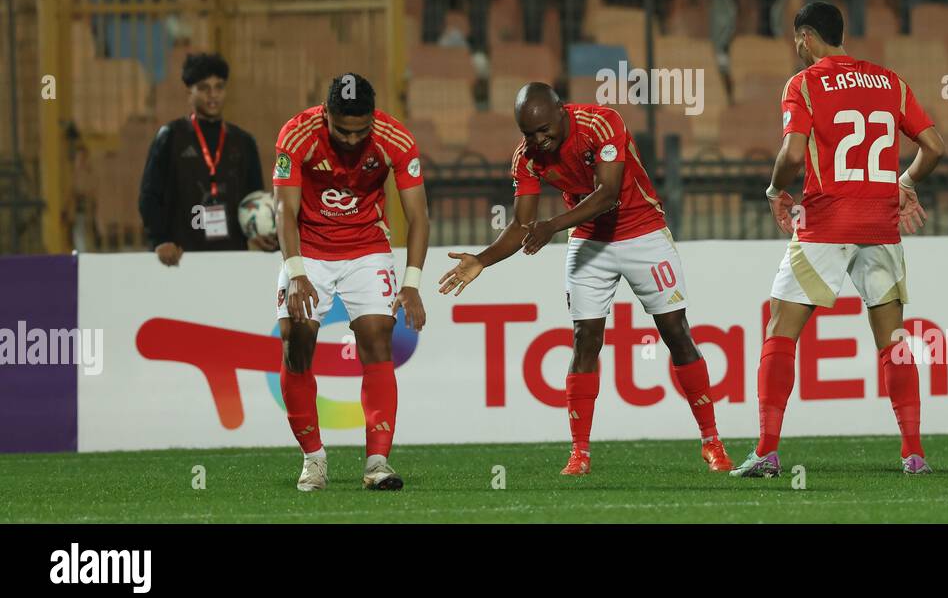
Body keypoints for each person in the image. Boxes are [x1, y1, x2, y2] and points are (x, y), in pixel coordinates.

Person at [438, 83, 734, 476]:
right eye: (528, 134)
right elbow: (521, 226)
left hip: (642, 231)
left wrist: (553, 226)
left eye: (544, 130)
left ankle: (711, 441)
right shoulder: (525, 159)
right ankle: (579, 453)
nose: (538, 140)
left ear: (562, 111)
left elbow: (608, 192)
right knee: (584, 340)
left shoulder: (601, 122)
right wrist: (482, 259)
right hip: (589, 240)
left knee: (676, 332)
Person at [730, 1, 944, 478]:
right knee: (893, 340)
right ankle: (914, 454)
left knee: (780, 331)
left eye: (796, 40)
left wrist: (774, 189)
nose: (796, 49)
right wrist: (904, 184)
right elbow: (934, 147)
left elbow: (791, 152)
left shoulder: (803, 84)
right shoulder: (890, 81)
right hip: (880, 224)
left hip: (825, 222)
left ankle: (766, 451)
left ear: (806, 37)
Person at [272, 73, 429, 491]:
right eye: (342, 130)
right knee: (297, 343)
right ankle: (314, 459)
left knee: (379, 339)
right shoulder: (297, 134)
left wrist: (411, 282)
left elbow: (419, 216)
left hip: (367, 247)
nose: (351, 139)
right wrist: (296, 271)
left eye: (361, 130)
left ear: (372, 120)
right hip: (309, 249)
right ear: (326, 115)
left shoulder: (394, 138)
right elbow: (283, 211)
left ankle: (377, 463)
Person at [138, 52, 273, 266]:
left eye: (219, 87)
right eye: (203, 88)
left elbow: (254, 199)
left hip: (233, 256)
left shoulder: (243, 142)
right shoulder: (171, 137)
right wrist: (160, 240)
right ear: (188, 92)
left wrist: (260, 233)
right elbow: (149, 196)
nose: (213, 95)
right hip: (182, 257)